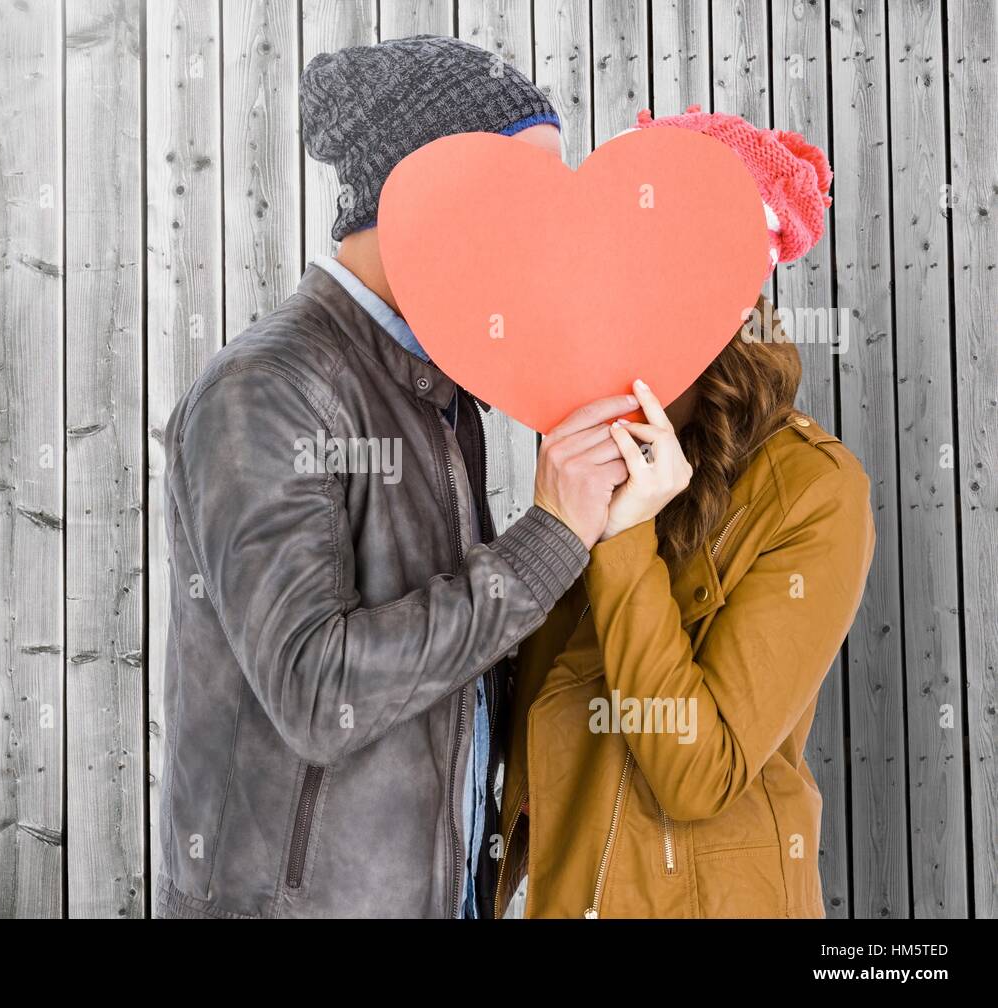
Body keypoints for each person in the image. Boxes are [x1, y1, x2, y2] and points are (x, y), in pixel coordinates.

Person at [155, 35, 629, 919]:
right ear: (427, 196)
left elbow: (460, 668)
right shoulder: (266, 391)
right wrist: (547, 542)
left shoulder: (439, 389)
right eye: (521, 199)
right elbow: (317, 688)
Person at [495, 110, 874, 919]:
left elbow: (696, 772)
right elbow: (527, 712)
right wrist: (550, 531)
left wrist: (627, 536)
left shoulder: (815, 491)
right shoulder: (588, 439)